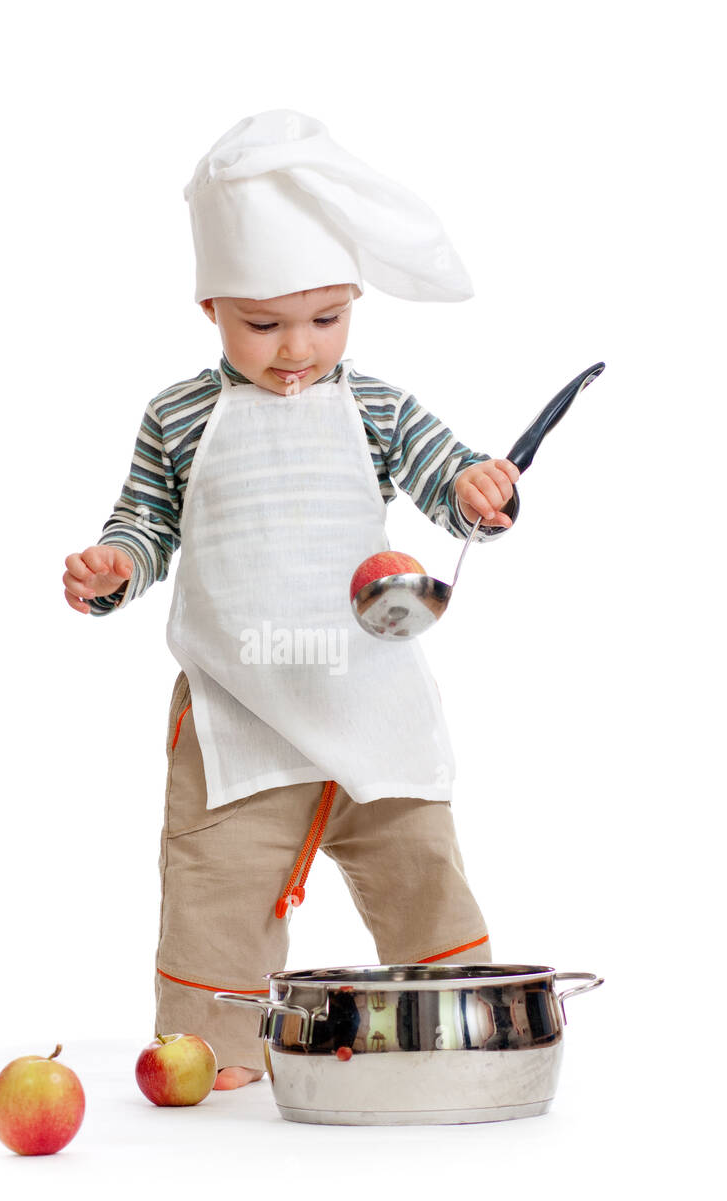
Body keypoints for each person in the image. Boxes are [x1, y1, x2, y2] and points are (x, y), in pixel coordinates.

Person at [62, 111, 520, 1091]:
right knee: (212, 880)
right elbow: (144, 525)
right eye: (261, 325)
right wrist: (113, 564)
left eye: (326, 318)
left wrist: (479, 488)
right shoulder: (176, 416)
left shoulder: (377, 407)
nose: (296, 348)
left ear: (353, 302)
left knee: (417, 865)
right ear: (210, 308)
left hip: (368, 699)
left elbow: (450, 480)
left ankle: (452, 1015)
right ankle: (211, 1045)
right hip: (238, 710)